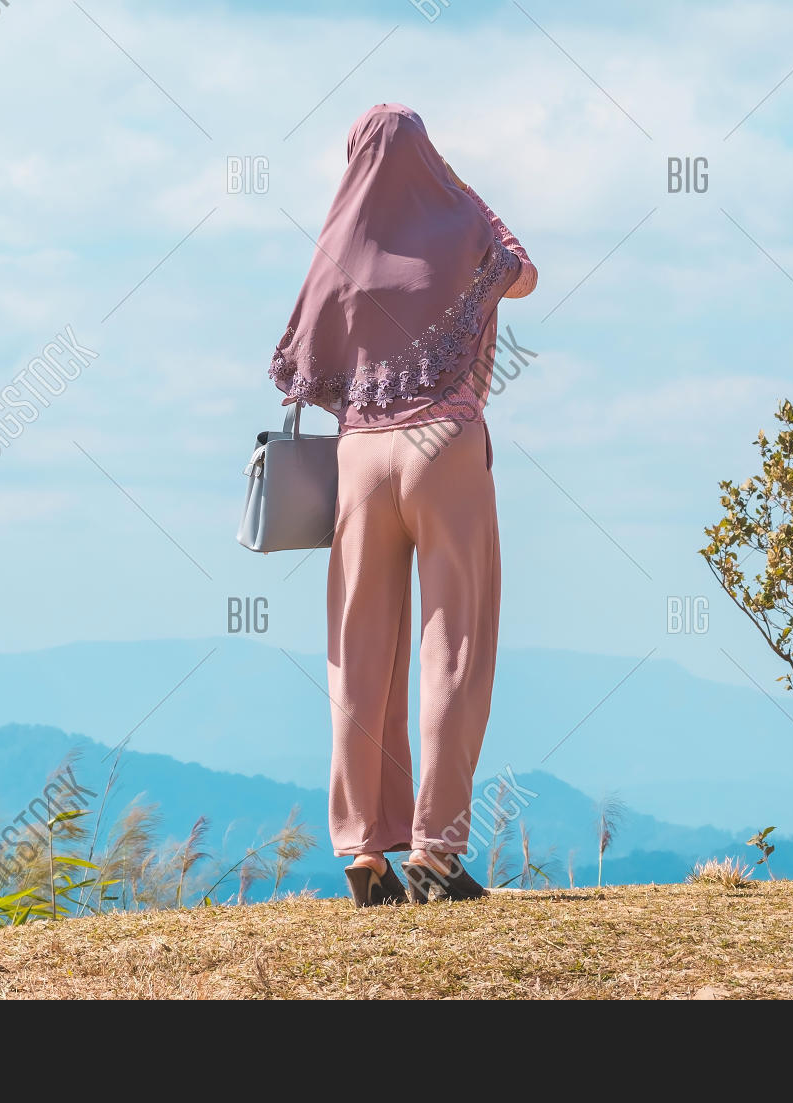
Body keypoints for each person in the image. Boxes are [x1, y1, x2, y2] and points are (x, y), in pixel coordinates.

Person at [267, 104, 537, 906]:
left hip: (359, 456)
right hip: (443, 448)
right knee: (452, 646)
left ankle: (362, 850)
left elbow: (305, 362)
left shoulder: (338, 248)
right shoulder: (461, 229)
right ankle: (436, 853)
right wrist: (460, 189)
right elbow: (523, 271)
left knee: (359, 652)